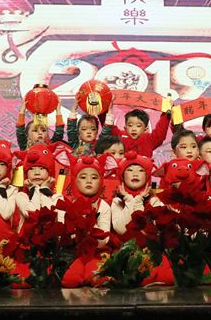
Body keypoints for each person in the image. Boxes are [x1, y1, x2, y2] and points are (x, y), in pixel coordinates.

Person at [55, 153, 112, 288]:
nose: (89, 181)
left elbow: (104, 239)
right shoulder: (65, 203)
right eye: (83, 177)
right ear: (74, 180)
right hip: (71, 253)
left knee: (97, 279)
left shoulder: (103, 206)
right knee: (70, 280)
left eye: (94, 177)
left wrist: (88, 227)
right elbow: (61, 236)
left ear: (101, 181)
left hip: (96, 253)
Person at [100, 103, 170, 158]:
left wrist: (166, 115)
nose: (133, 129)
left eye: (138, 126)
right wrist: (103, 108)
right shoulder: (120, 136)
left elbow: (160, 132)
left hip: (143, 171)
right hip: (122, 171)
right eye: (130, 125)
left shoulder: (149, 139)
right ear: (125, 127)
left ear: (146, 129)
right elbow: (108, 126)